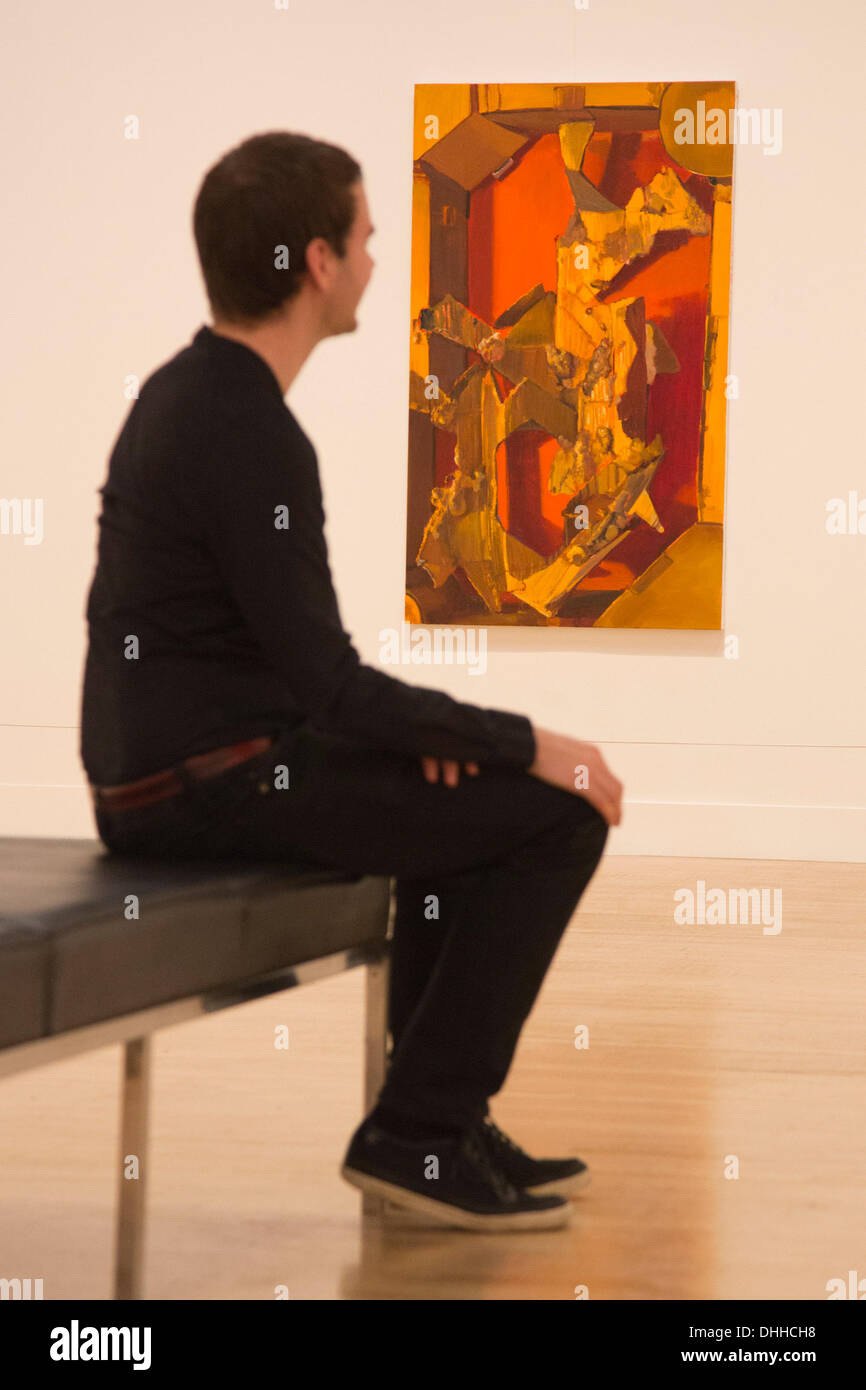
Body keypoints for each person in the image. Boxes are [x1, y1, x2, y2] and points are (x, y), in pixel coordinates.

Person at [80, 131, 623, 1234]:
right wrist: (524, 740)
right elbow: (328, 685)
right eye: (368, 235)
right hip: (205, 786)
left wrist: (443, 739)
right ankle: (419, 1132)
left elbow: (295, 678)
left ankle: (433, 1121)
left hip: (191, 767)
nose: (378, 258)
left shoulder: (192, 397)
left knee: (458, 817)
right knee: (551, 816)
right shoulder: (249, 431)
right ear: (317, 261)